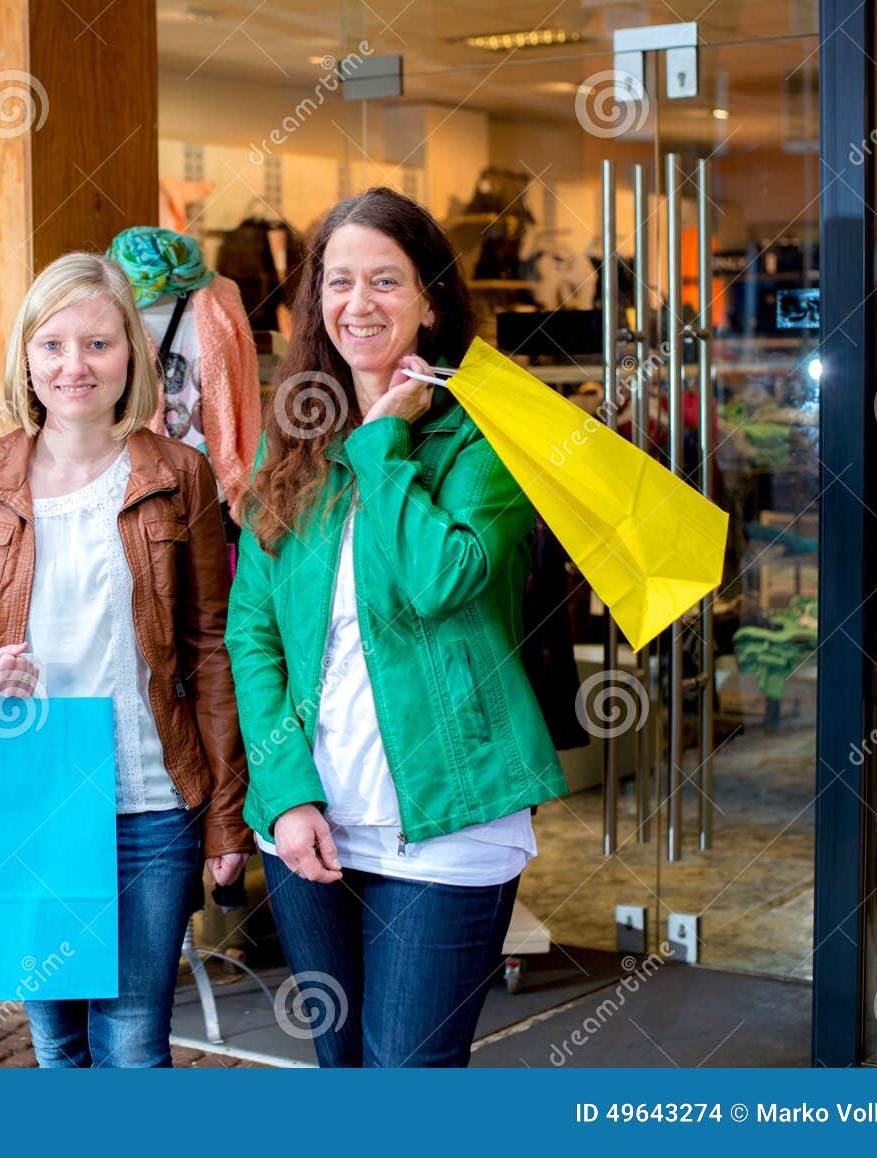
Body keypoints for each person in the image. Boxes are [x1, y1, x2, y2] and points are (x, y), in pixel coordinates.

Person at [226, 187, 569, 1068]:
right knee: (341, 1072)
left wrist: (384, 443)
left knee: (407, 1077)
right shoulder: (293, 432)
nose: (357, 303)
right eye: (338, 282)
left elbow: (441, 578)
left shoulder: (487, 431)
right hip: (312, 817)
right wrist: (285, 788)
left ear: (430, 297)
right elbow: (252, 630)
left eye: (386, 280)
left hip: (449, 815)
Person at [0, 252, 253, 1068]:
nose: (75, 366)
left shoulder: (182, 474)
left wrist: (224, 814)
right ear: (26, 356)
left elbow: (214, 651)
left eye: (99, 344)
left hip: (147, 800)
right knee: (57, 1042)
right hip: (24, 796)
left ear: (133, 358)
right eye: (54, 344)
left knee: (134, 1043)